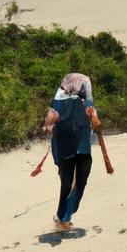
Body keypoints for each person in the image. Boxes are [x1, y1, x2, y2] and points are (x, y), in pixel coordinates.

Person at [43, 72, 100, 232]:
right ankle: (64, 217)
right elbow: (88, 101)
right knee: (76, 182)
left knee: (68, 183)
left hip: (67, 147)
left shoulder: (59, 99)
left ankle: (63, 217)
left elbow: (51, 123)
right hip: (76, 145)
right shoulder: (64, 99)